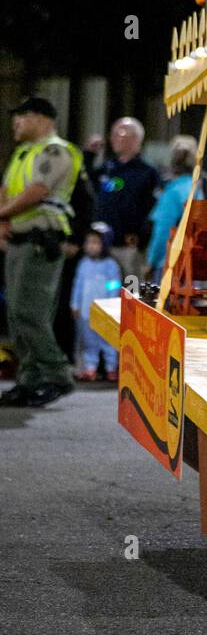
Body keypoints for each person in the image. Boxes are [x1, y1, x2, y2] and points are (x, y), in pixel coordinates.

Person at [0, 96, 81, 406]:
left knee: (30, 313)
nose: (15, 123)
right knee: (15, 315)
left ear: (41, 119)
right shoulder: (23, 153)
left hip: (40, 240)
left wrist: (2, 214)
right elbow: (6, 189)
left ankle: (57, 374)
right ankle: (29, 380)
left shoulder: (54, 150)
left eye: (22, 116)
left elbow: (37, 191)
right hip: (19, 241)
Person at [85, 117, 160, 282]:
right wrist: (89, 155)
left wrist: (142, 243)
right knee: (102, 293)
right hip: (103, 248)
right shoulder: (108, 168)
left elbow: (153, 210)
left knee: (130, 293)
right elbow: (88, 182)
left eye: (120, 134)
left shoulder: (147, 172)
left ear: (136, 139)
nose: (113, 138)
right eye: (112, 134)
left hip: (129, 248)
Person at [143, 135, 204, 278]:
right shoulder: (197, 188)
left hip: (169, 264)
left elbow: (163, 230)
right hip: (191, 263)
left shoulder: (172, 191)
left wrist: (151, 261)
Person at [71, 223, 123, 382]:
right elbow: (78, 285)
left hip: (105, 311)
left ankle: (111, 368)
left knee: (108, 341)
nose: (91, 246)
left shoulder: (111, 265)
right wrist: (74, 304)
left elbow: (115, 285)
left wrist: (111, 303)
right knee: (89, 341)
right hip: (86, 312)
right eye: (89, 242)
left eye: (96, 242)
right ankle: (90, 368)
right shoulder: (83, 264)